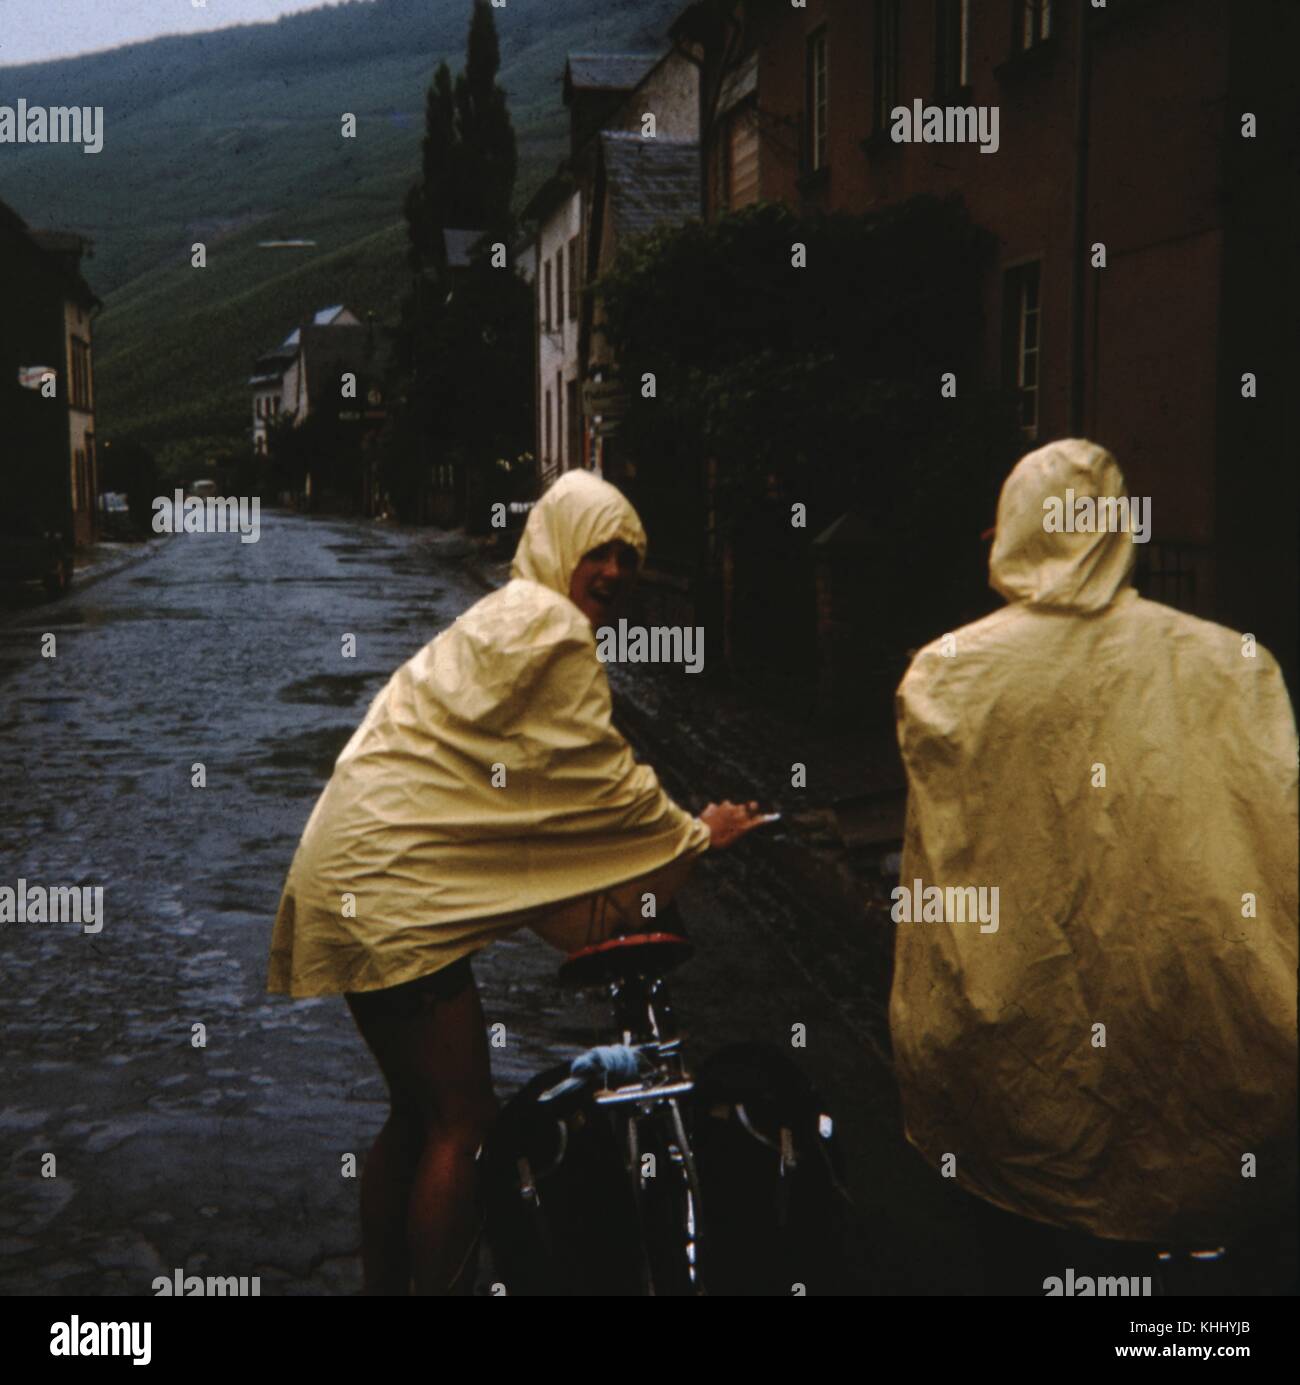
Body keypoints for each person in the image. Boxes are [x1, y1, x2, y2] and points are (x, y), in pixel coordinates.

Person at [267, 470, 765, 1295]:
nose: (613, 571)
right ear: (558, 545)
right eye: (597, 550)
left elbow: (527, 801)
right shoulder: (554, 630)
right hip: (392, 889)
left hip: (348, 869)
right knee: (465, 1123)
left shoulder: (507, 614)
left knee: (416, 1111)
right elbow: (602, 781)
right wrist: (696, 834)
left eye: (628, 558)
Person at [889, 438, 1297, 1288]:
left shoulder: (951, 673)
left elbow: (945, 877)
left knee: (1021, 1250)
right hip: (1195, 1025)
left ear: (1011, 527)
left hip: (1015, 1064)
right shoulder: (1232, 662)